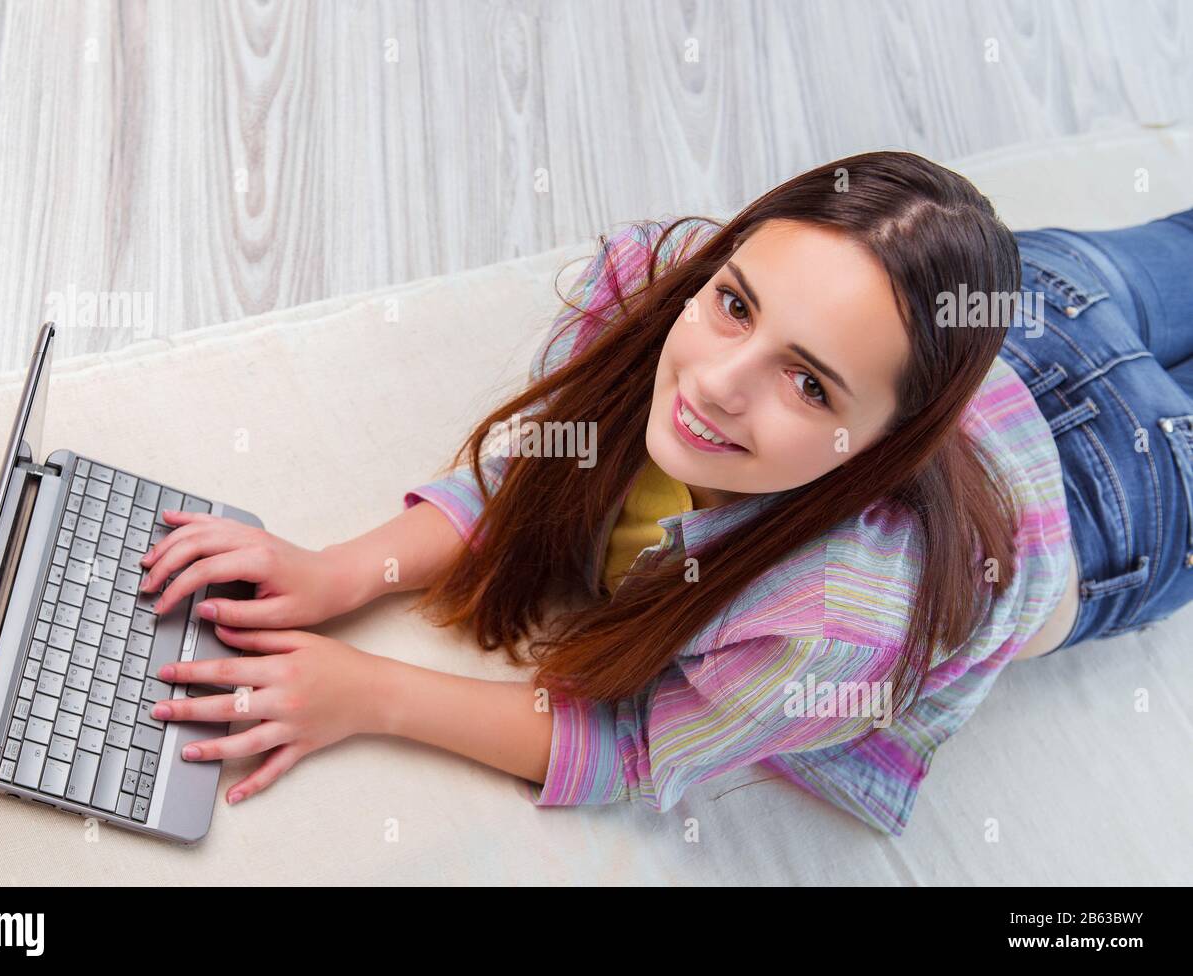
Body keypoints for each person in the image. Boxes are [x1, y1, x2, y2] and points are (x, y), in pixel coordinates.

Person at [133, 151, 1193, 834]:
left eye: (808, 383)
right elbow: (546, 468)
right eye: (737, 304)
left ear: (886, 447)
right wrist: (339, 571)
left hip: (1124, 500)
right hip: (1047, 301)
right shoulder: (657, 286)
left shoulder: (832, 618)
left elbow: (641, 743)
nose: (716, 385)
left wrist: (374, 694)